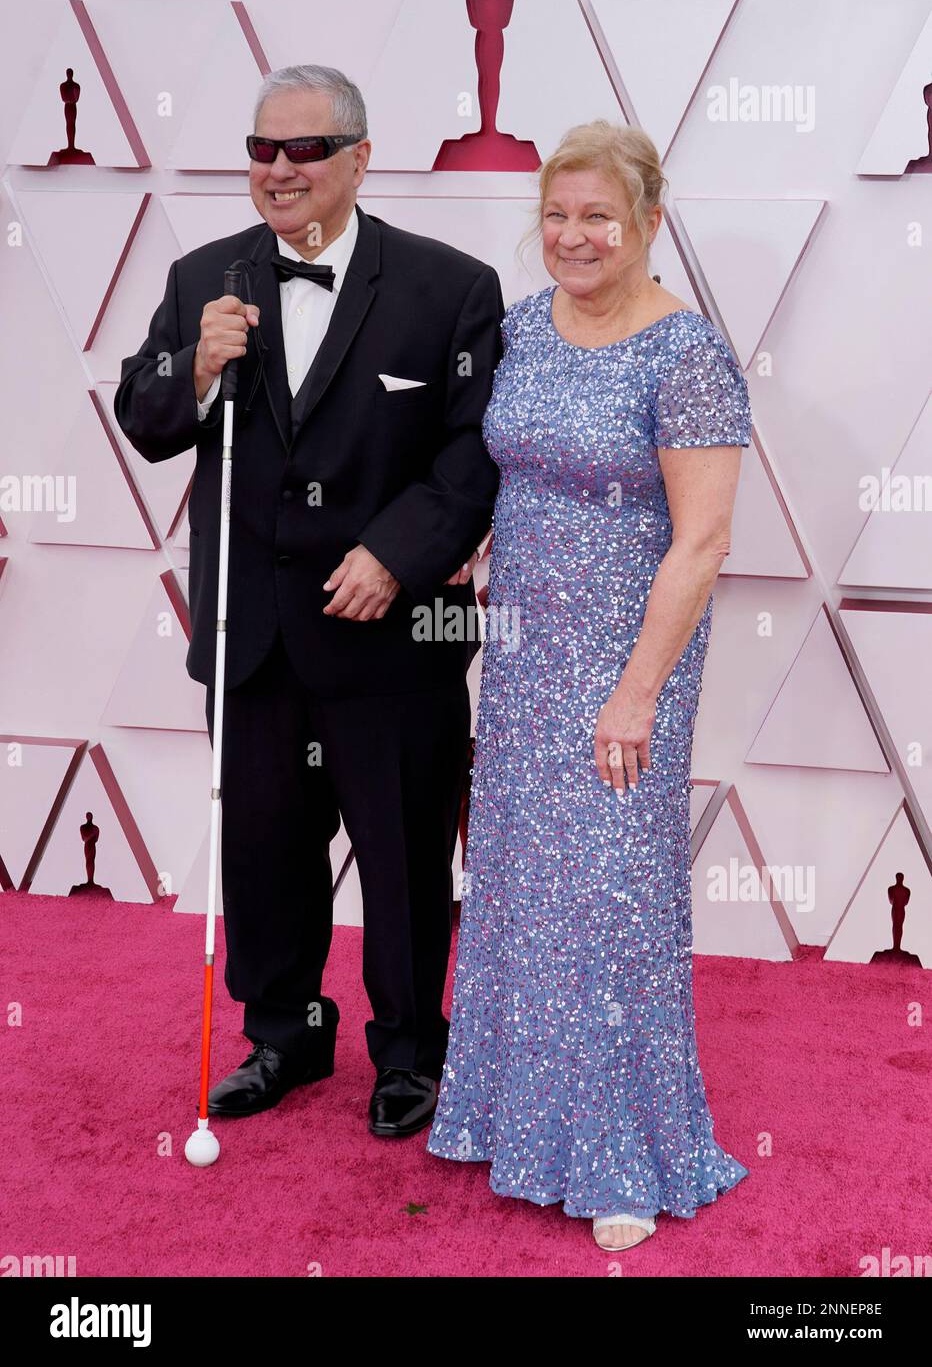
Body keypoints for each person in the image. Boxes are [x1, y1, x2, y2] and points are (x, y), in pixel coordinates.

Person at [115, 65, 503, 1138]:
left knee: (405, 855)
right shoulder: (204, 276)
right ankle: (281, 1031)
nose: (277, 170)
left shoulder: (449, 288)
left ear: (359, 158)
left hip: (393, 640)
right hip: (251, 636)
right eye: (260, 151)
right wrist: (192, 365)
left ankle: (411, 1053)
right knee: (266, 848)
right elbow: (143, 419)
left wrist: (400, 555)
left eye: (303, 151)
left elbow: (479, 449)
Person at [427, 120, 751, 1249]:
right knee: (523, 884)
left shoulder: (685, 355)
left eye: (595, 217)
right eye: (555, 215)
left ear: (648, 224)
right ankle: (512, 1122)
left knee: (612, 899)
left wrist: (634, 693)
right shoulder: (521, 327)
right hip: (520, 657)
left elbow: (701, 543)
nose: (571, 236)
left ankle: (620, 1154)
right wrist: (479, 548)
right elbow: (505, 464)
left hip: (626, 660)